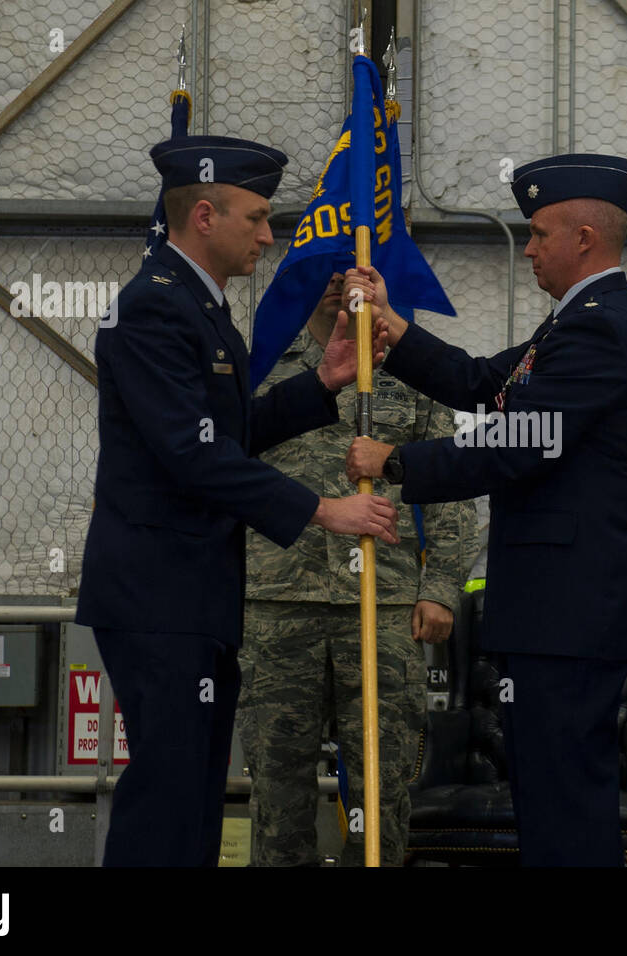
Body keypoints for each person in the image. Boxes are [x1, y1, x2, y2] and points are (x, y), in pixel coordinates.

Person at [75, 134, 399, 867]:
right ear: (203, 218)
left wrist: (320, 385)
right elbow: (194, 457)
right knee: (167, 789)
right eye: (254, 218)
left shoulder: (202, 307)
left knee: (192, 790)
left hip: (194, 595)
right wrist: (323, 509)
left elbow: (230, 431)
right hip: (158, 596)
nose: (267, 235)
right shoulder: (155, 308)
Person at [344, 154, 627, 867]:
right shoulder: (575, 324)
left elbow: (516, 447)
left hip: (572, 614)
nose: (529, 248)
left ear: (584, 238)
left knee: (566, 812)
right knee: (549, 807)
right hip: (558, 613)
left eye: (540, 233)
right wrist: (395, 331)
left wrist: (394, 462)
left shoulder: (600, 329)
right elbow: (487, 382)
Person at [236, 271, 475, 867]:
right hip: (275, 604)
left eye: (350, 270)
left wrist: (441, 587)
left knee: (384, 784)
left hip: (382, 606)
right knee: (276, 786)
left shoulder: (411, 368)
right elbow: (222, 472)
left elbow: (448, 484)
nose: (338, 283)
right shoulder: (261, 361)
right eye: (324, 269)